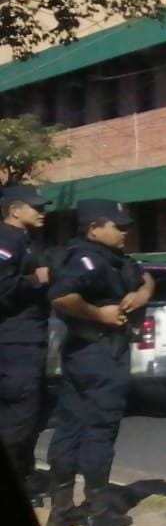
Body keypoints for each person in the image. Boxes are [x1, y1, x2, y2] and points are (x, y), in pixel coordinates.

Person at [46, 199, 155, 526]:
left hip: (94, 353)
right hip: (97, 351)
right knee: (98, 429)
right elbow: (62, 297)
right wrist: (101, 314)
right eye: (117, 226)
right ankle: (98, 511)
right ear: (95, 228)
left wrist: (141, 294)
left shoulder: (113, 259)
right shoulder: (85, 259)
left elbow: (145, 278)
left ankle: (61, 510)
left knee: (72, 425)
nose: (124, 232)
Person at [0, 185, 53, 505]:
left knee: (28, 415)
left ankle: (24, 478)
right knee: (20, 416)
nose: (41, 211)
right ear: (15, 210)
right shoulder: (6, 240)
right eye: (34, 207)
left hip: (25, 339)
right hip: (15, 341)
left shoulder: (25, 240)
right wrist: (39, 281)